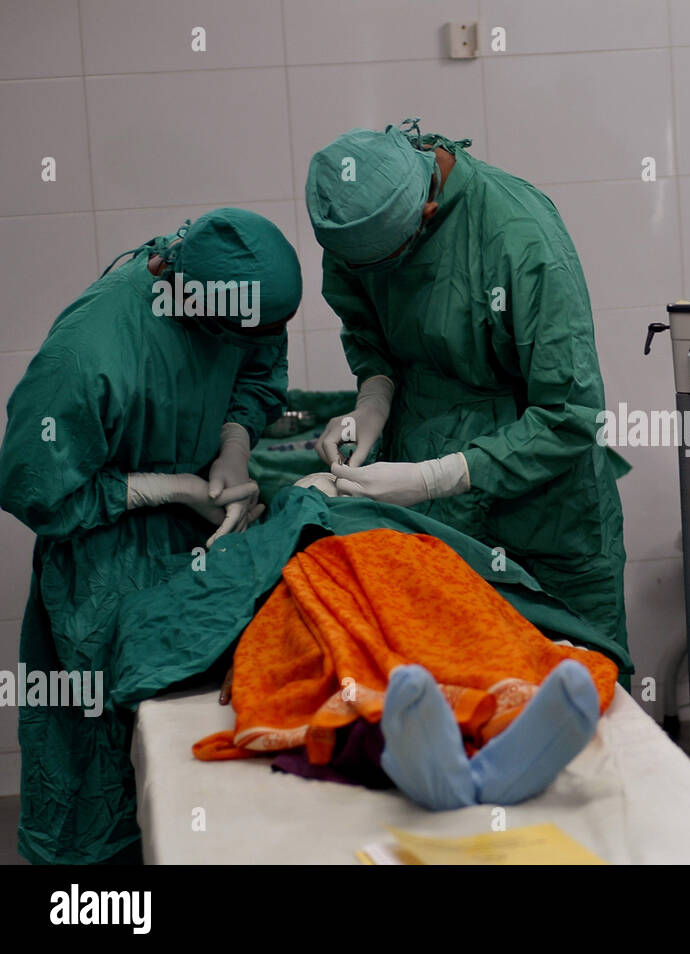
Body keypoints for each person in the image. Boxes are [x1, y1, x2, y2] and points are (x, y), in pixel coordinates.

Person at [0, 207, 301, 863]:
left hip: (197, 553)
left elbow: (258, 360)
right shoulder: (89, 355)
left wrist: (234, 443)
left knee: (207, 763)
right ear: (187, 296)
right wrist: (162, 487)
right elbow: (32, 486)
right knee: (99, 776)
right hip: (102, 566)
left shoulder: (239, 300)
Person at [304, 120, 628, 656]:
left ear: (426, 217)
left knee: (577, 695)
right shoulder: (357, 222)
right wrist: (374, 399)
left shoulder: (520, 238)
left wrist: (440, 475)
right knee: (445, 684)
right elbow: (367, 329)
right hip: (425, 482)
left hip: (544, 507)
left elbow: (571, 413)